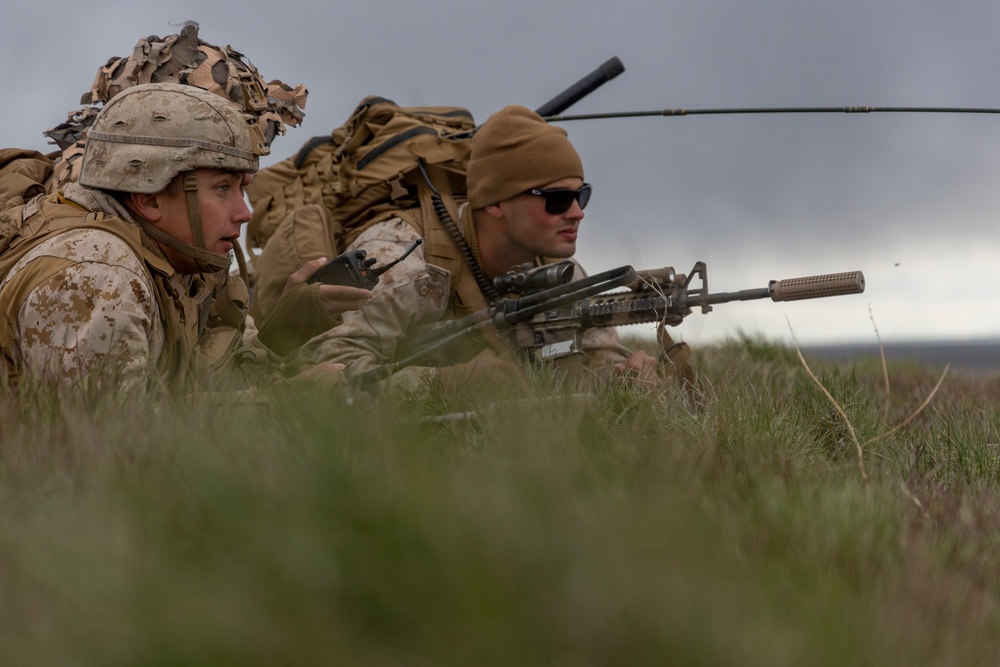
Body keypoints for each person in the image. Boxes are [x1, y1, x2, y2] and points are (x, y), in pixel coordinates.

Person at [0, 82, 370, 393]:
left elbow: (193, 391)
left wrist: (282, 334)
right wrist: (281, 409)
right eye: (223, 188)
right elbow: (118, 449)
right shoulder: (99, 275)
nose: (245, 213)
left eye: (241, 188)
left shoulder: (180, 257)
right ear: (149, 197)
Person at [296, 104, 692, 392]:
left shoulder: (554, 267)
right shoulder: (404, 263)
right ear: (496, 203)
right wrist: (445, 384)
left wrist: (625, 379)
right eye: (556, 200)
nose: (576, 213)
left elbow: (595, 355)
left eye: (581, 196)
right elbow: (325, 367)